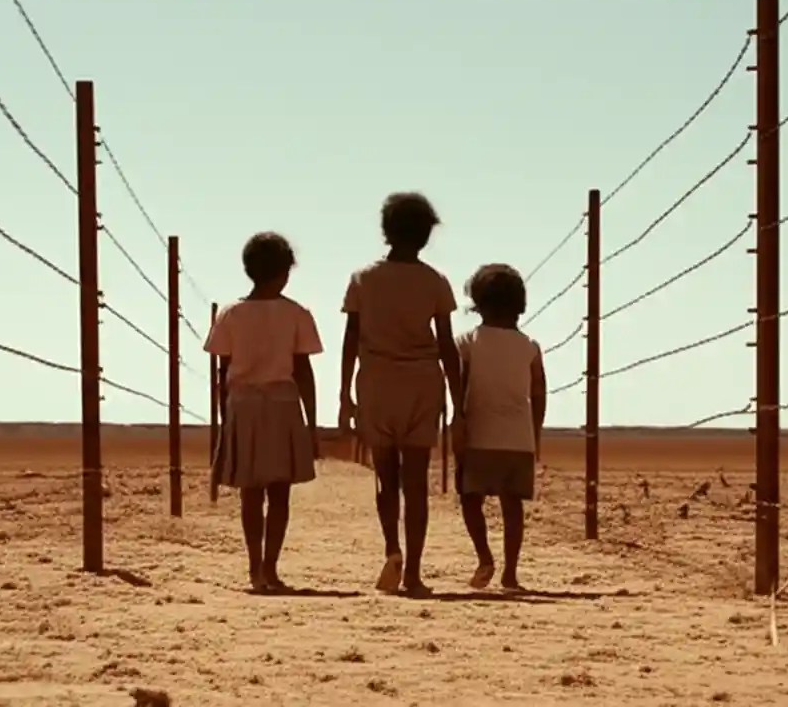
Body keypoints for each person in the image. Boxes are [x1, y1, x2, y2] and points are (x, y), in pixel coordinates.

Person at [339, 192, 463, 597]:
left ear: (386, 231)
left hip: (376, 381)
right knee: (416, 481)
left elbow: (351, 338)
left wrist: (344, 393)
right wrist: (459, 401)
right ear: (426, 234)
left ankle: (391, 547)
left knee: (385, 477)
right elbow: (446, 344)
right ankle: (412, 572)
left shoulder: (363, 279)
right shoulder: (435, 282)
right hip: (421, 383)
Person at [205, 232, 322, 594]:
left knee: (250, 493)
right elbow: (303, 371)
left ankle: (255, 567)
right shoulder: (296, 314)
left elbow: (223, 371)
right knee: (279, 493)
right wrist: (312, 422)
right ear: (285, 271)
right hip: (283, 405)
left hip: (242, 405)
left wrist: (226, 418)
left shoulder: (231, 313)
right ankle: (270, 567)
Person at [453, 263, 546, 593]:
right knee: (512, 506)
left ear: (477, 302)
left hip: (481, 434)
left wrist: (457, 422)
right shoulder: (530, 347)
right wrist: (535, 435)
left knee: (469, 497)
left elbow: (458, 387)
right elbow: (539, 394)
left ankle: (484, 557)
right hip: (518, 439)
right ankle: (510, 573)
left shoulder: (467, 342)